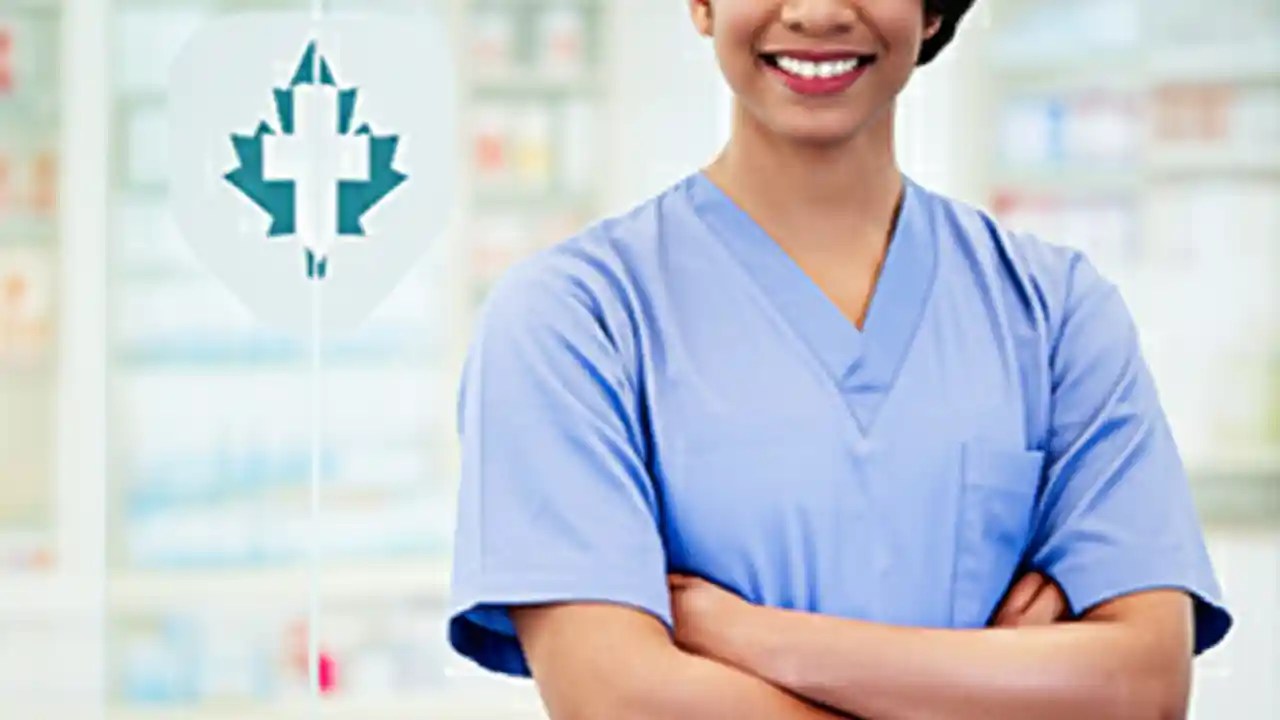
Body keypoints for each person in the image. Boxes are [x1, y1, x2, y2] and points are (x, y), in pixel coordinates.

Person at [447, 1, 1232, 717]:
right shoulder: (575, 318)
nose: (818, 12)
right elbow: (620, 702)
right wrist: (997, 685)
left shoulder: (1055, 312)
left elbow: (1142, 689)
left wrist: (750, 635)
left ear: (931, 9)